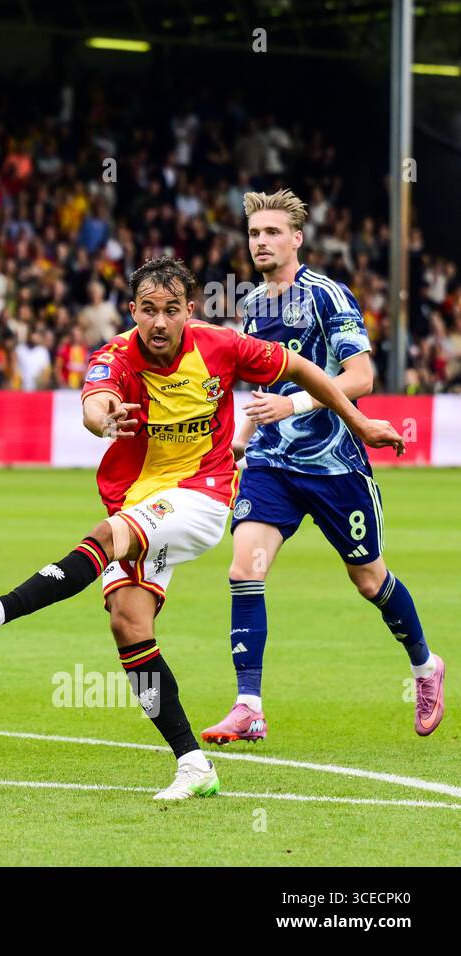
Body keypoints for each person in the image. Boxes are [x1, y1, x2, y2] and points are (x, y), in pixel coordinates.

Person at [0, 256, 404, 799]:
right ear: (132, 310)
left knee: (109, 534)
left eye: (170, 311)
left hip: (203, 497)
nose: (158, 323)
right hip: (139, 499)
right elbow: (95, 403)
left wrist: (361, 420)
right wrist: (103, 419)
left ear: (190, 310)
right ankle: (193, 765)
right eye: (147, 311)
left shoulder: (223, 347)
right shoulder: (114, 355)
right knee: (128, 624)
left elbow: (304, 370)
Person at [201, 189, 444, 744]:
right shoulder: (254, 305)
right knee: (244, 570)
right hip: (271, 464)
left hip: (334, 463)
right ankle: (249, 706)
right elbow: (262, 385)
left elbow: (361, 378)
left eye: (271, 233)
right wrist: (241, 438)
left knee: (368, 579)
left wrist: (296, 404)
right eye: (254, 233)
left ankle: (426, 667)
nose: (260, 242)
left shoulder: (327, 297)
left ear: (296, 239)